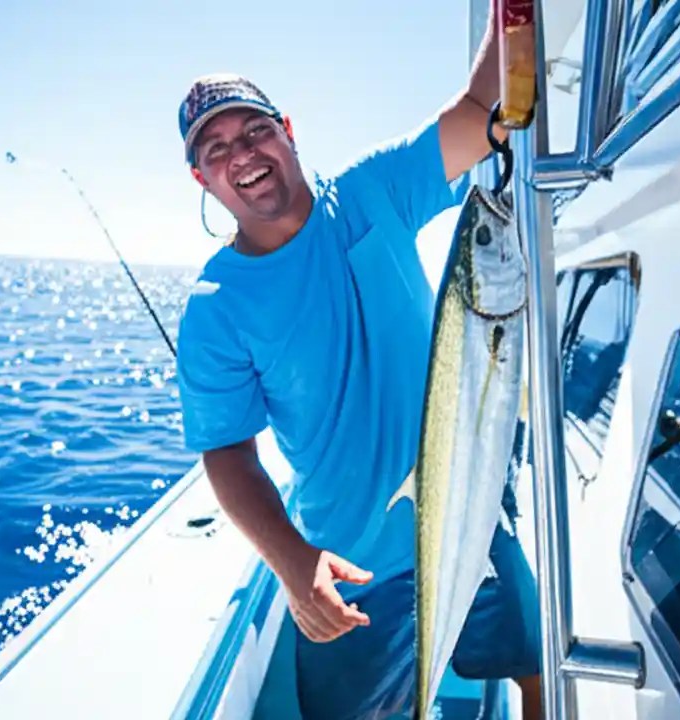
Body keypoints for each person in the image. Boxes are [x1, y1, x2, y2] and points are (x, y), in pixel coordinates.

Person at [173, 11, 543, 720]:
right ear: (202, 177)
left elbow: (475, 116)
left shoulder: (372, 192)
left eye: (255, 129)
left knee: (534, 672)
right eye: (216, 148)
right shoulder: (215, 308)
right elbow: (226, 452)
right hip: (346, 561)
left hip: (467, 515)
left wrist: (512, 13)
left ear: (288, 129)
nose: (242, 152)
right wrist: (291, 561)